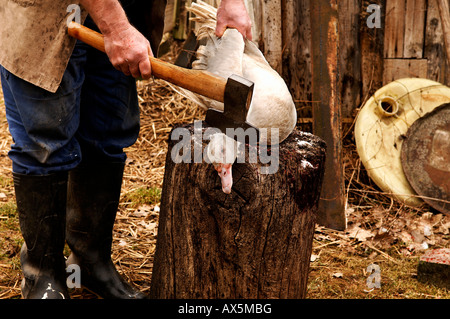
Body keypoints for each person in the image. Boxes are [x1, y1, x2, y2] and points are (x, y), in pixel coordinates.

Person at [0, 0, 252, 299]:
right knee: (44, 142)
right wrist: (116, 27)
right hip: (48, 12)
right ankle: (43, 275)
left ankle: (90, 263)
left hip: (127, 7)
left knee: (105, 134)